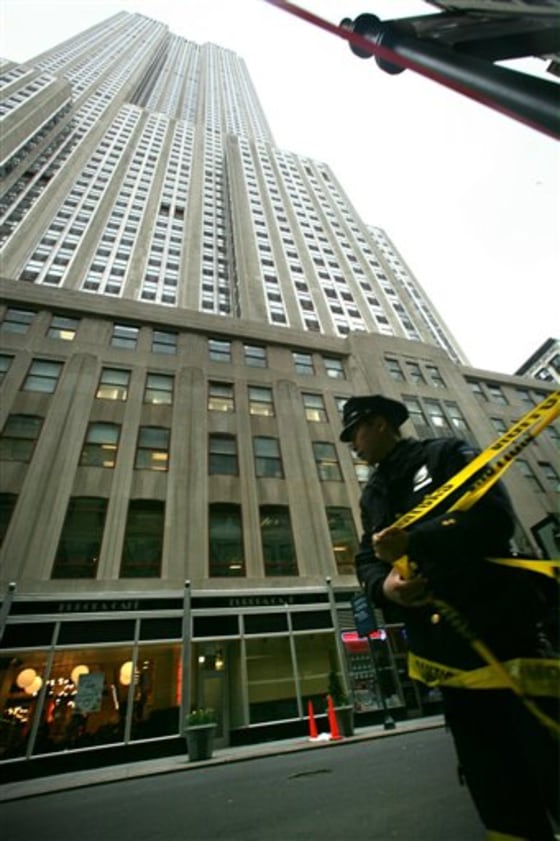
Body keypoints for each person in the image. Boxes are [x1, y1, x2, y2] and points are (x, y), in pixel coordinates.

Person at [339, 394, 559, 841]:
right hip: (449, 662)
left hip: (506, 636)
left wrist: (415, 542)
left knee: (550, 764)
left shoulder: (446, 454)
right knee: (497, 795)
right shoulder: (372, 494)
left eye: (355, 433)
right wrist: (385, 586)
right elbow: (368, 556)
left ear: (379, 424)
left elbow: (494, 520)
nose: (352, 446)